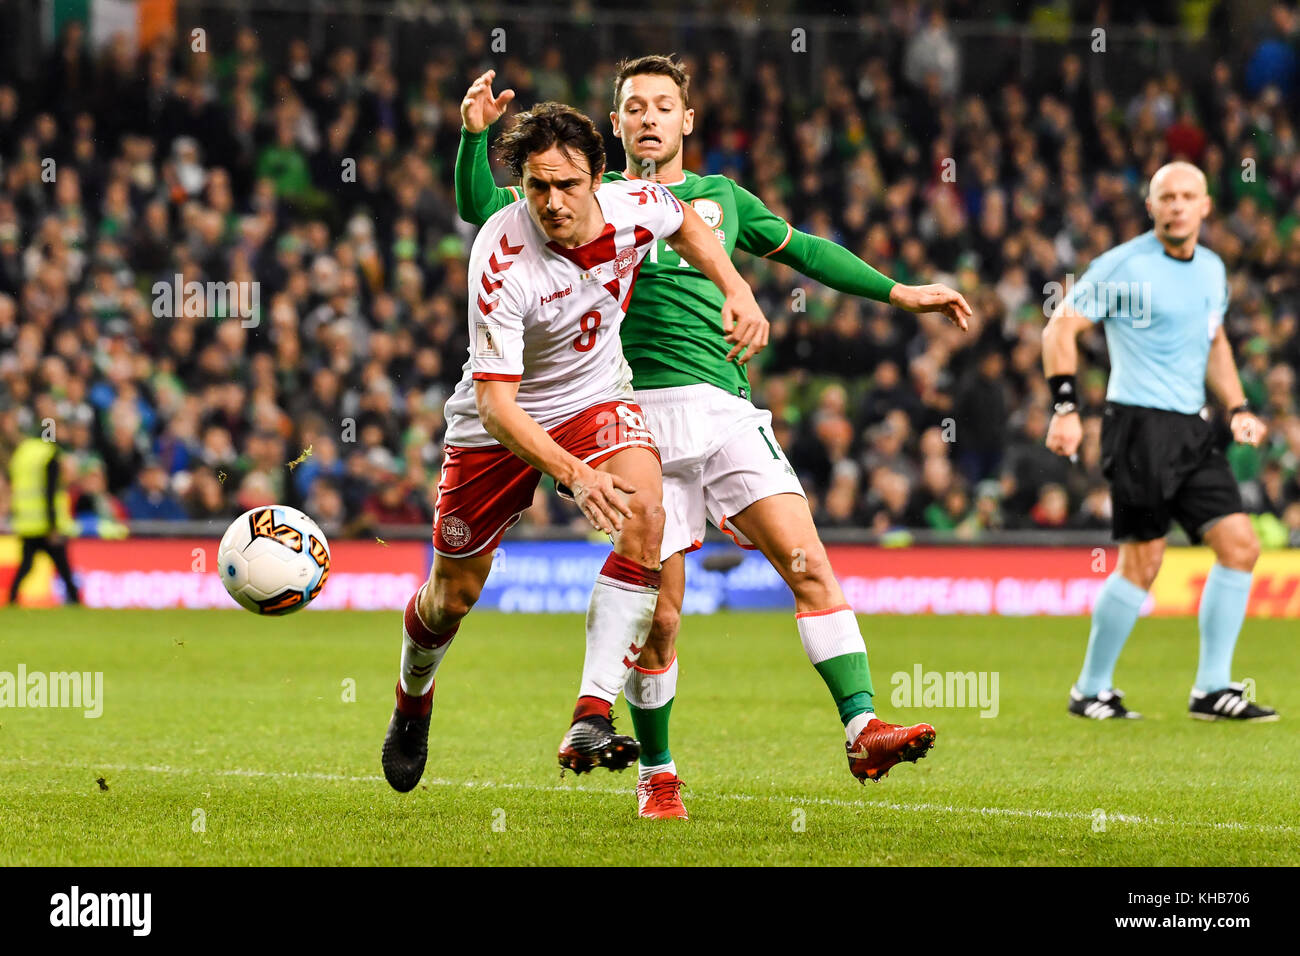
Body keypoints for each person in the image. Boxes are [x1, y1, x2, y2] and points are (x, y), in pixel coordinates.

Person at [456, 56, 972, 818]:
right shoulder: (581, 200)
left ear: (687, 120)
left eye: (664, 106)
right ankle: (657, 773)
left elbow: (804, 250)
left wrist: (900, 292)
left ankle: (863, 727)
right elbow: (481, 208)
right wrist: (474, 140)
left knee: (808, 561)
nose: (650, 119)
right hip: (631, 415)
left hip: (726, 410)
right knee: (660, 621)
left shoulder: (720, 200)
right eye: (634, 107)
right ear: (616, 124)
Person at [381, 101, 770, 792]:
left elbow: (687, 227)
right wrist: (575, 475)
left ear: (598, 177)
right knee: (453, 596)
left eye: (567, 185)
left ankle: (591, 713)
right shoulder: (501, 258)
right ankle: (413, 701)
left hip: (593, 398)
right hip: (499, 422)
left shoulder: (637, 203)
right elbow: (500, 406)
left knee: (644, 511)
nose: (552, 202)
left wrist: (736, 288)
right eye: (537, 187)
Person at [1043, 160, 1278, 722]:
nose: (1175, 205)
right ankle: (1091, 689)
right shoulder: (1123, 265)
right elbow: (1059, 328)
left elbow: (1214, 342)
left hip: (1193, 430)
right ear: (1150, 207)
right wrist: (1065, 409)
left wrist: (1238, 406)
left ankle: (1212, 689)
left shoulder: (1213, 270)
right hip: (1138, 427)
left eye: (1186, 195)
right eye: (1165, 196)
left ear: (1204, 206)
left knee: (1241, 546)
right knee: (1142, 564)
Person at [7, 429, 81, 605]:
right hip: (46, 523)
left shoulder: (23, 454)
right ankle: (74, 599)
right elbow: (49, 493)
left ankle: (12, 597)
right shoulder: (49, 456)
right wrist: (53, 525)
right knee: (63, 566)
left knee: (27, 565)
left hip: (27, 521)